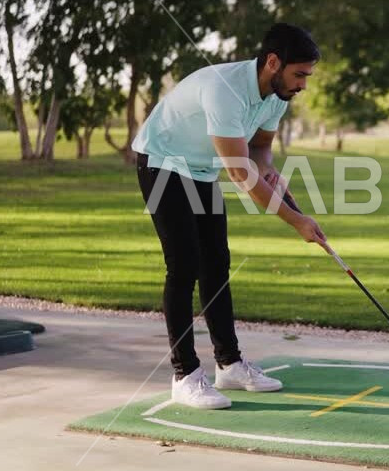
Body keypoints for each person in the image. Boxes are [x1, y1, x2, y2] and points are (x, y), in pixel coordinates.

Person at [131, 23, 327, 409]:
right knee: (184, 265)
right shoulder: (226, 90)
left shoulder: (277, 95)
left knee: (217, 263)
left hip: (200, 170)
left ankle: (229, 364)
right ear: (273, 62)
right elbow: (239, 173)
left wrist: (269, 169)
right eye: (299, 74)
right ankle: (185, 375)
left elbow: (260, 151)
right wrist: (296, 220)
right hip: (163, 162)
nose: (303, 84)